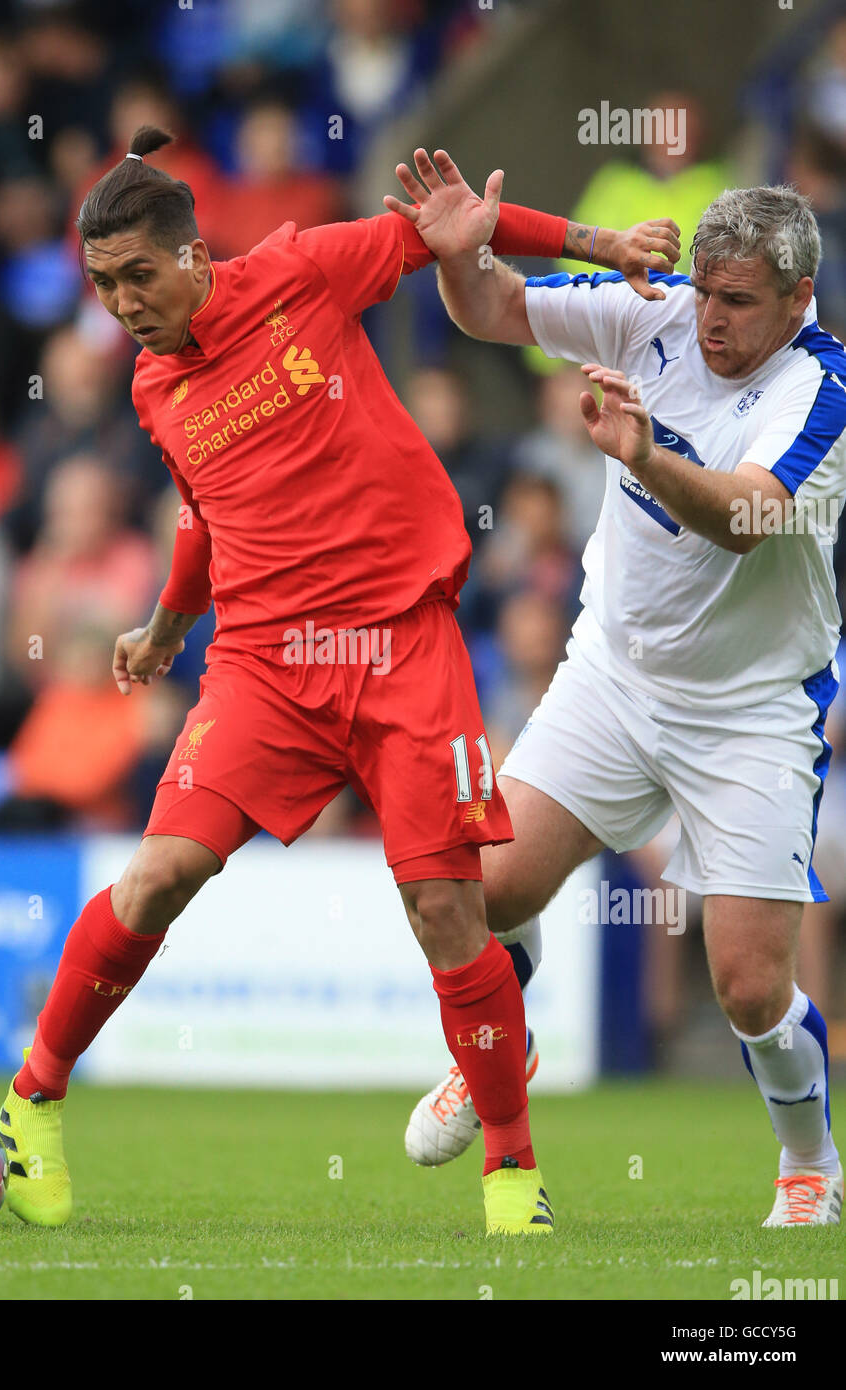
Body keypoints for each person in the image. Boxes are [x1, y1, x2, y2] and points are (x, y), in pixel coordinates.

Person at [0, 126, 674, 1234]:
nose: (121, 302)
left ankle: (512, 1177)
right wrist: (170, 624)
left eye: (138, 275)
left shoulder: (302, 268)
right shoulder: (153, 387)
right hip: (264, 663)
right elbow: (205, 510)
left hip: (401, 643)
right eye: (102, 284)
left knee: (446, 909)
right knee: (157, 873)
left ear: (196, 256)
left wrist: (601, 241)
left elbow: (449, 227)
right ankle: (34, 1100)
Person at [398, 158, 845, 1229]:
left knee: (746, 987)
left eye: (738, 302)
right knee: (471, 890)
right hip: (613, 675)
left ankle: (809, 1162)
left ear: (798, 299)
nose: (711, 320)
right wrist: (462, 252)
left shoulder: (819, 389)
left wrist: (644, 453)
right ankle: (504, 1041)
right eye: (706, 289)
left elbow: (747, 517)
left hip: (748, 710)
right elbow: (493, 310)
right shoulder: (657, 311)